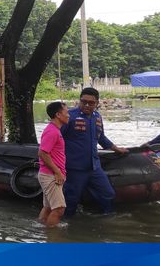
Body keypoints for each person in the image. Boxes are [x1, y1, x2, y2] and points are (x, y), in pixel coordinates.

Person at [61, 87, 128, 216]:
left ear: (97, 103)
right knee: (71, 200)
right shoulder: (69, 116)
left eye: (91, 103)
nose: (86, 105)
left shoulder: (97, 117)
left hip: (94, 167)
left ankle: (107, 219)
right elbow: (56, 138)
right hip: (74, 168)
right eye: (83, 101)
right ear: (79, 101)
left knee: (108, 194)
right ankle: (66, 228)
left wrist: (116, 148)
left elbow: (101, 138)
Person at [38, 101, 70, 227]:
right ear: (58, 114)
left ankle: (40, 231)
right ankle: (52, 237)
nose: (68, 115)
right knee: (59, 209)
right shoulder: (52, 132)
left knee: (48, 207)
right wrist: (57, 172)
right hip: (51, 175)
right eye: (66, 112)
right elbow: (42, 153)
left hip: (49, 174)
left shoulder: (55, 130)